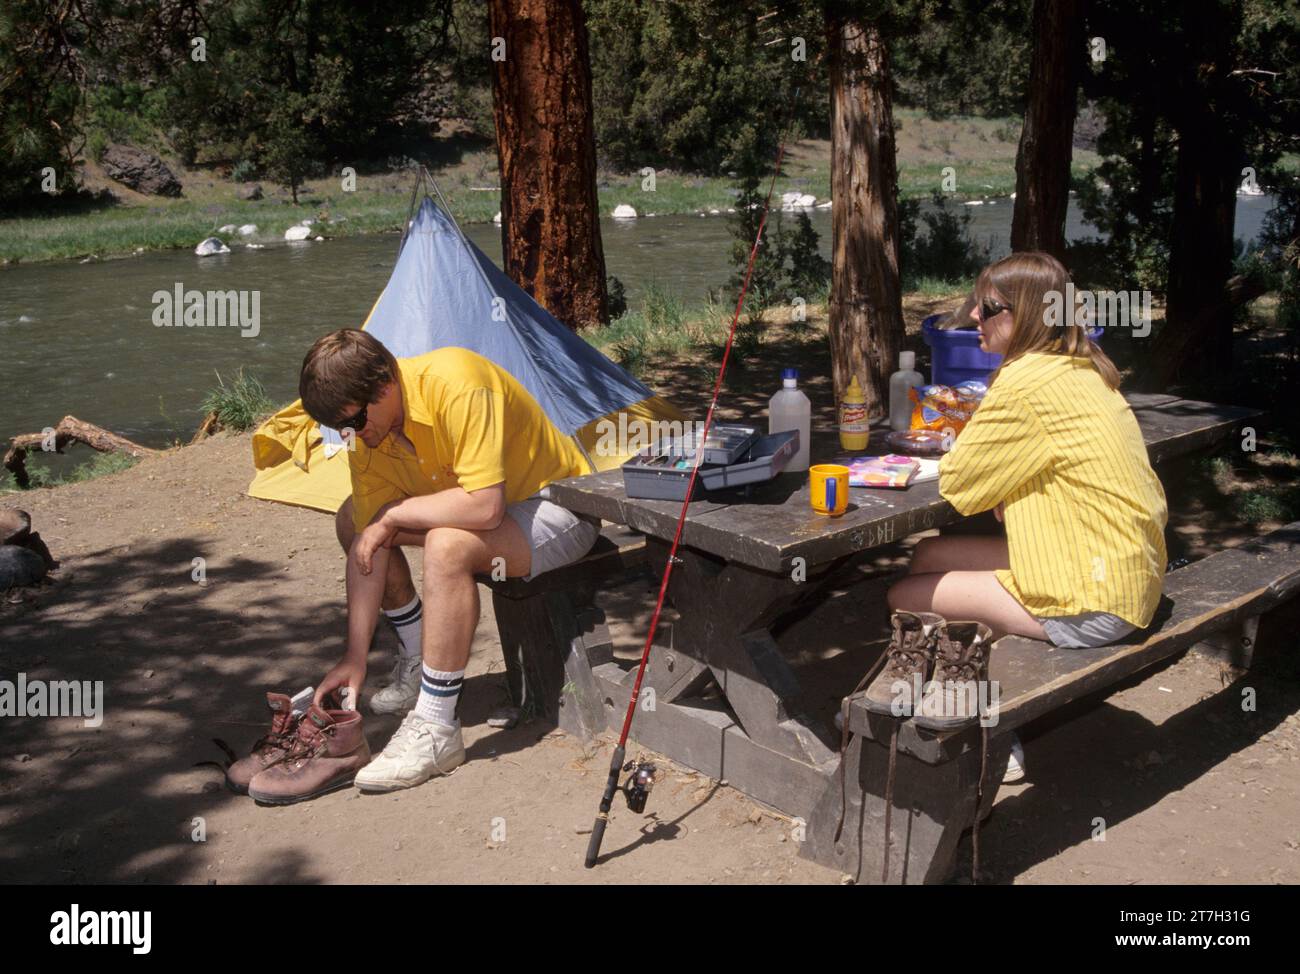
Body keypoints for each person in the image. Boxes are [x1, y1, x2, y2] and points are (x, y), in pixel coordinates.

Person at [887, 252, 1168, 778]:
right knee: (929, 553)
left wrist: (998, 481)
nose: (974, 316)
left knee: (904, 596)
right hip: (1120, 567)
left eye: (988, 307)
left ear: (1028, 315)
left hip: (1093, 596)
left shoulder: (1023, 381)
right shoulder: (1082, 365)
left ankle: (982, 732)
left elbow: (961, 484)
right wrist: (1007, 479)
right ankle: (967, 699)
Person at [299, 329, 598, 792]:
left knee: (445, 543)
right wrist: (355, 654)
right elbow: (367, 541)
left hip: (558, 505)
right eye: (341, 428)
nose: (352, 435)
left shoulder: (458, 383)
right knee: (352, 522)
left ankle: (437, 729)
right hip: (494, 516)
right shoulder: (366, 431)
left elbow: (483, 507)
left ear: (384, 386)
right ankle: (420, 661)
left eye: (355, 421)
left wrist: (393, 514)